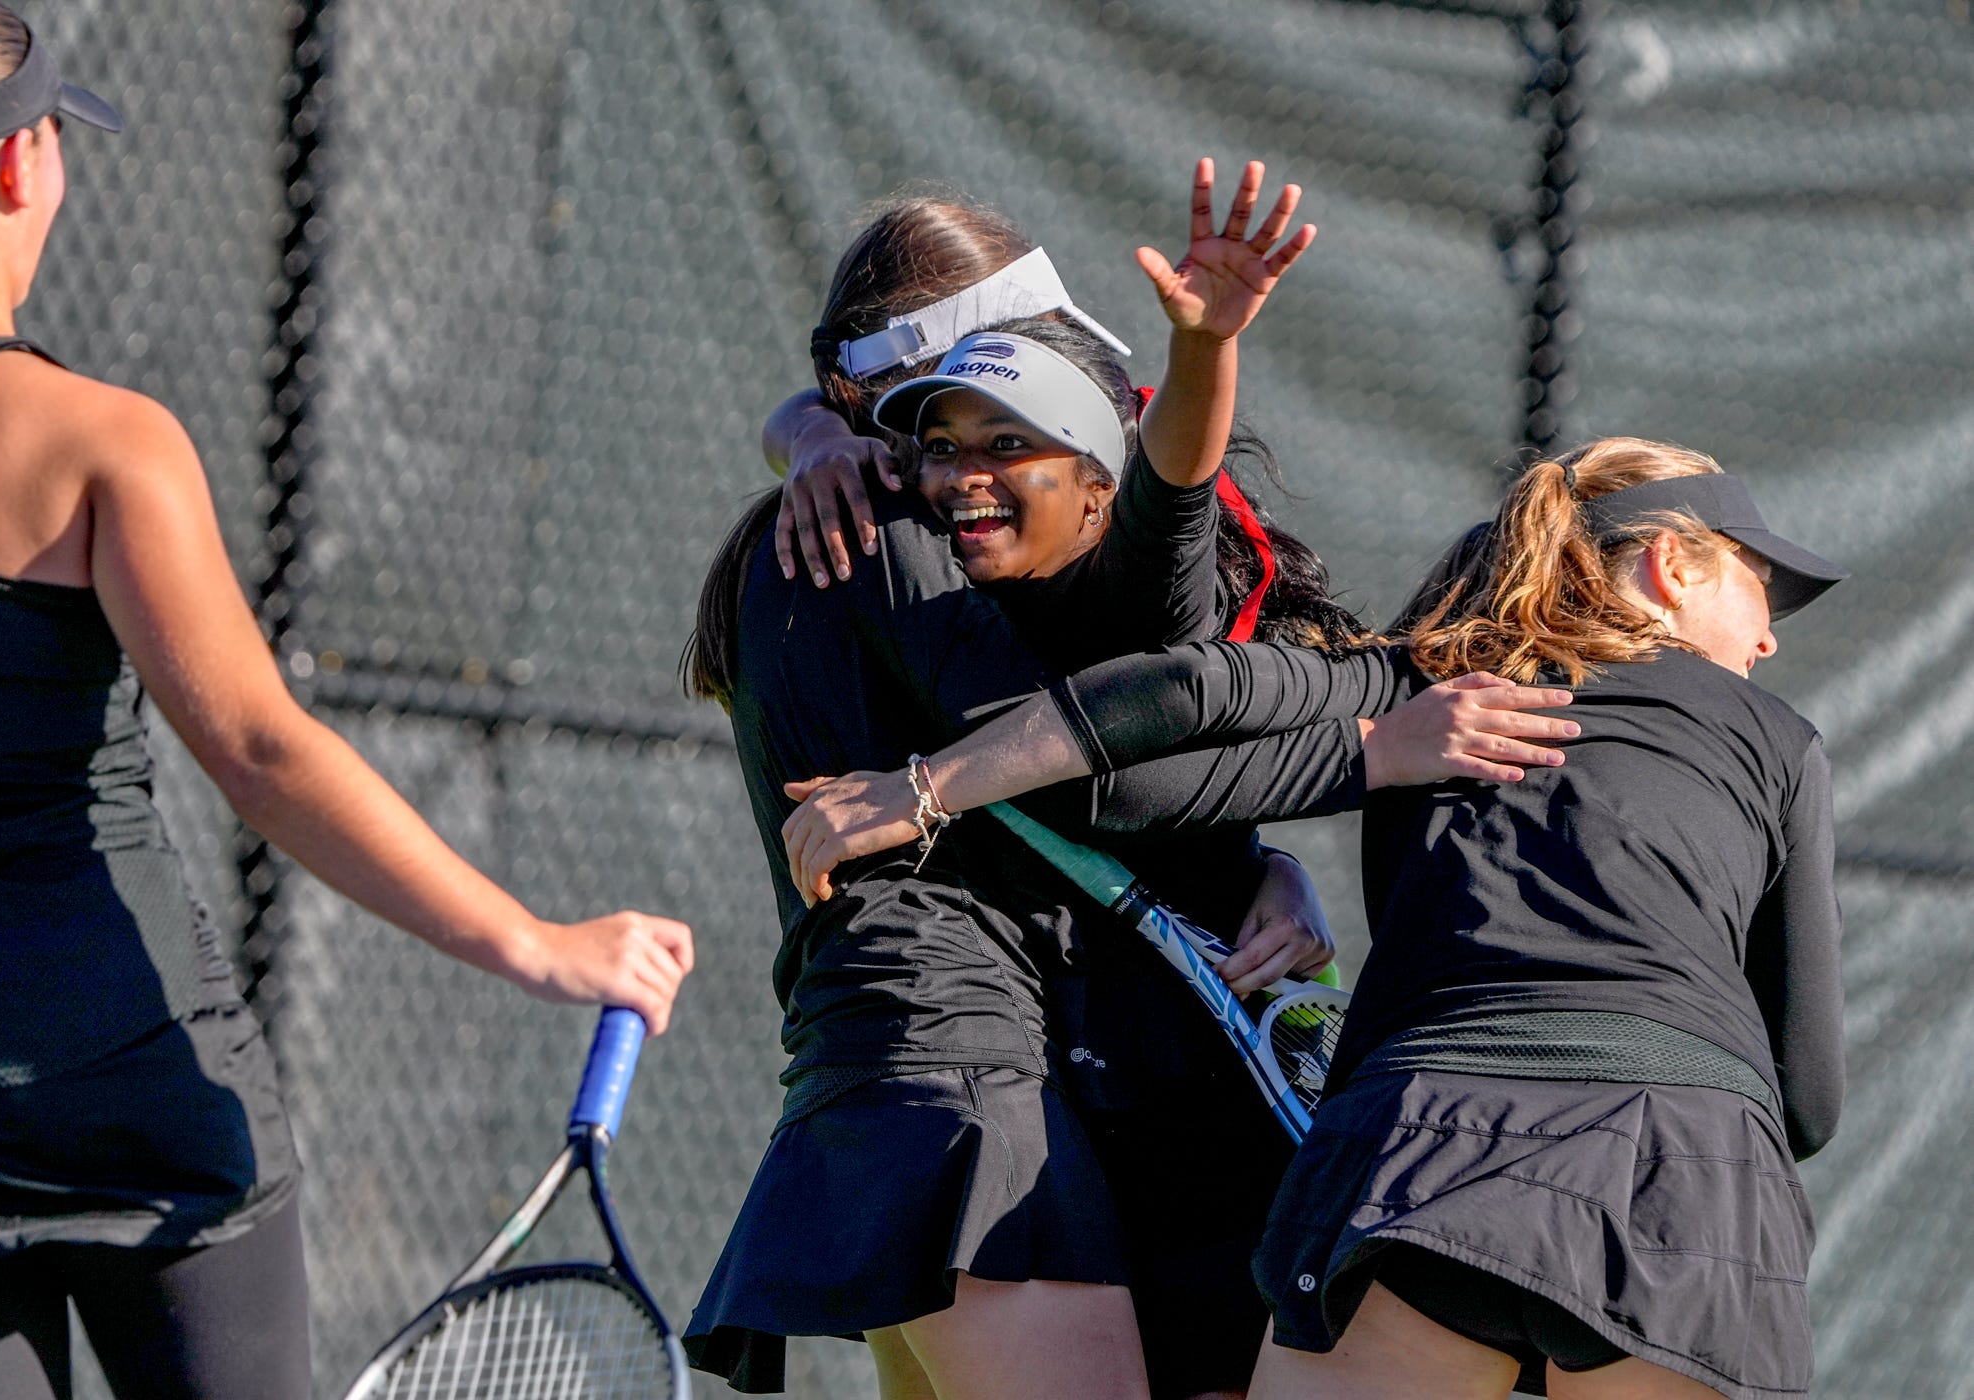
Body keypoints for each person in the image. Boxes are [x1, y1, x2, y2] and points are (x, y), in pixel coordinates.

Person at [0, 5, 693, 1396]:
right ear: (21, 166)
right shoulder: (97, 443)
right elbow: (258, 747)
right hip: (142, 1096)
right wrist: (535, 944)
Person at [680, 164, 1571, 1400]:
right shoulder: (865, 527)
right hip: (950, 1076)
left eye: (1019, 416)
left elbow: (1158, 697)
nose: (976, 454)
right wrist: (1370, 748)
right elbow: (1083, 776)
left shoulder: (973, 540)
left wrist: (1267, 862)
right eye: (952, 422)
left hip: (1092, 1082)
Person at [781, 436, 1846, 1400]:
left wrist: (925, 785)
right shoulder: (1772, 733)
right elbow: (1809, 1098)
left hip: (1417, 1156)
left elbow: (1175, 698)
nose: (1768, 641)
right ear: (1672, 565)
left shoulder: (1427, 678)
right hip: (1683, 1169)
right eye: (1760, 591)